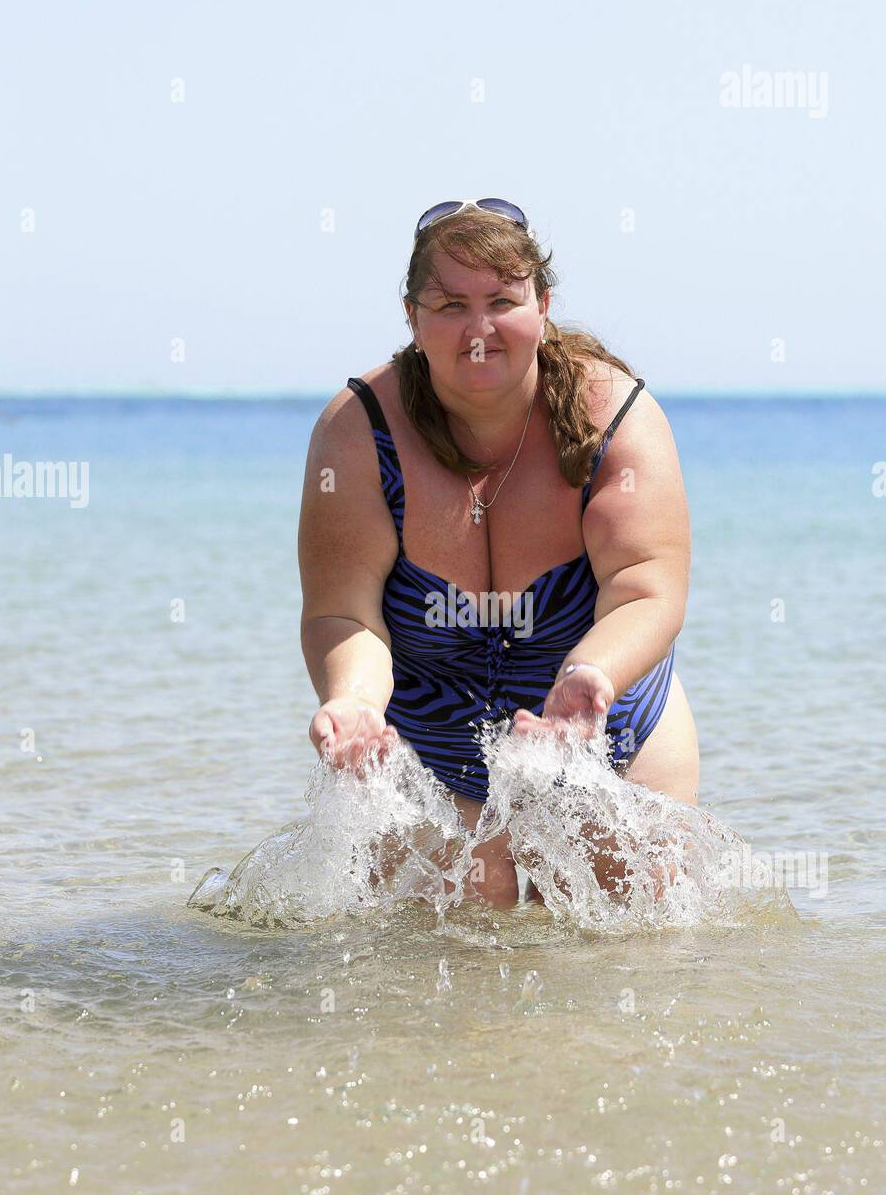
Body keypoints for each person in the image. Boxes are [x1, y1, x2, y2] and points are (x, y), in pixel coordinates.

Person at [298, 199, 698, 908]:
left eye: (502, 301)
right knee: (424, 991)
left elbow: (645, 588)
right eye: (449, 303)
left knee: (626, 980)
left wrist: (590, 673)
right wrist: (354, 700)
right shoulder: (358, 430)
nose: (478, 330)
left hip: (608, 740)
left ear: (542, 306)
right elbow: (343, 611)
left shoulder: (615, 416)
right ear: (411, 317)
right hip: (428, 759)